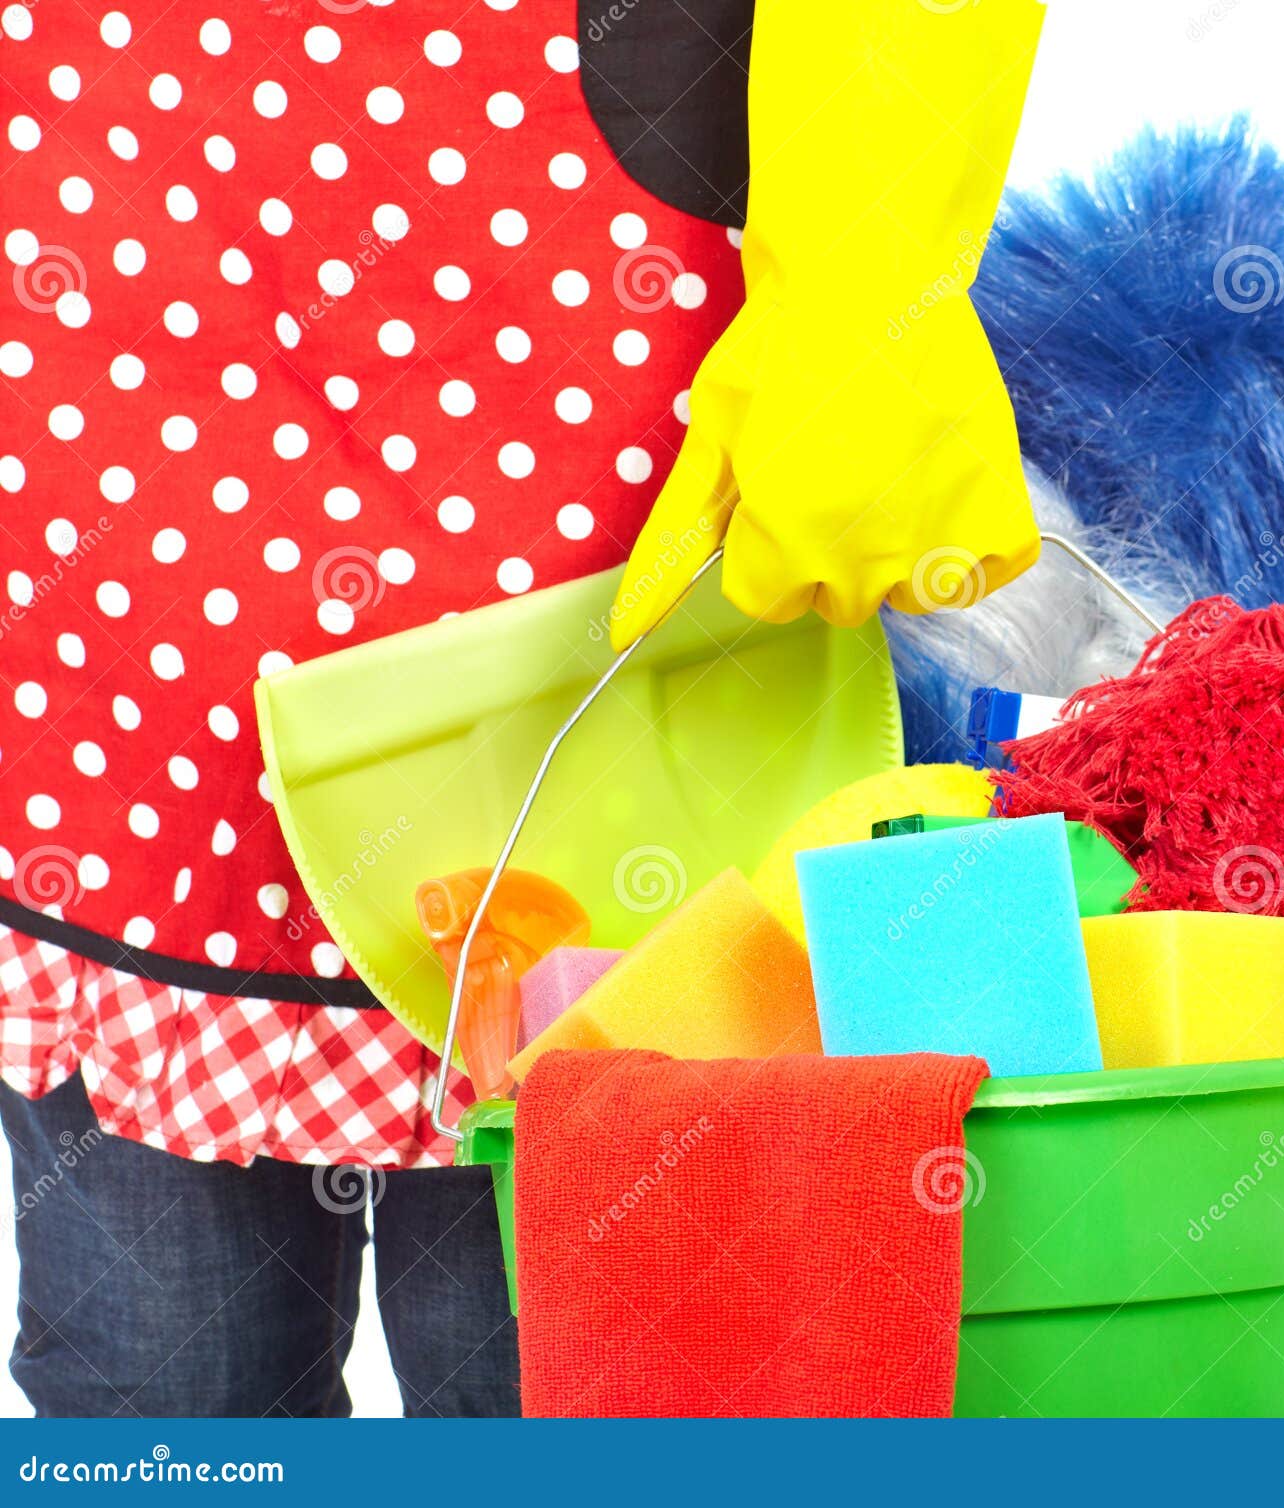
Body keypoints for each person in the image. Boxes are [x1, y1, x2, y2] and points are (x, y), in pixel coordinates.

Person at [1, 0, 1041, 1416]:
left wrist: (864, 300)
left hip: (609, 491)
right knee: (161, 1398)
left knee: (581, 1397)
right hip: (111, 514)